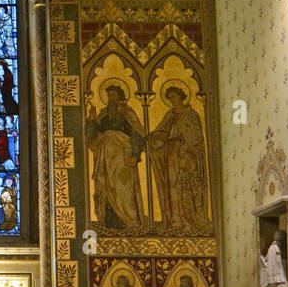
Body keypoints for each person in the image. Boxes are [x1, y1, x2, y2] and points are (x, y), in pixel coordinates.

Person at [148, 85, 208, 233]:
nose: (172, 100)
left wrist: (186, 153)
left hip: (185, 154)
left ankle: (189, 219)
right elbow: (162, 130)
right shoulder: (170, 114)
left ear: (181, 96)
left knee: (184, 186)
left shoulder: (191, 114)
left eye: (174, 97)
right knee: (172, 186)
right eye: (169, 98)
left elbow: (196, 138)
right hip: (170, 154)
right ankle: (175, 219)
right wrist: (153, 138)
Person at [85, 84, 145, 231]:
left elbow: (137, 133)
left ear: (120, 96)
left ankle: (130, 220)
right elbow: (92, 135)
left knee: (123, 188)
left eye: (113, 95)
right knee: (107, 186)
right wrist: (91, 120)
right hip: (105, 156)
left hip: (122, 155)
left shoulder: (128, 113)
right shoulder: (104, 113)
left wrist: (135, 155)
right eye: (109, 95)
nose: (110, 98)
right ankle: (110, 221)